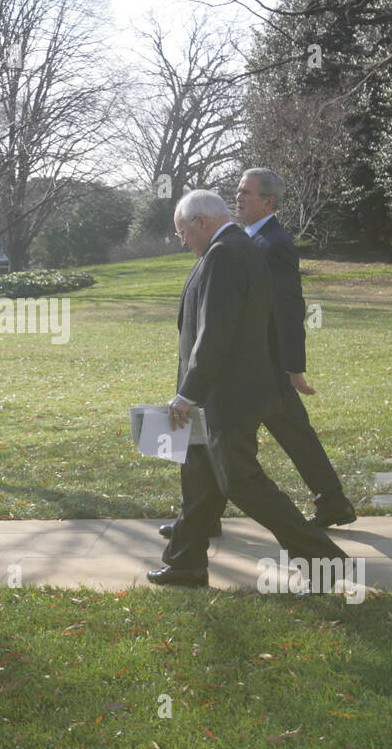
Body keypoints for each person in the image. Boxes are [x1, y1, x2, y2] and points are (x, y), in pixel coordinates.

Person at [148, 189, 349, 588]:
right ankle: (186, 562)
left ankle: (324, 560)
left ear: (201, 222)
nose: (182, 241)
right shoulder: (236, 247)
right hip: (221, 394)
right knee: (199, 481)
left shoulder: (225, 254)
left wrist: (188, 393)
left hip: (224, 396)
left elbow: (215, 333)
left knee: (242, 483)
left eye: (182, 232)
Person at [235, 168, 356, 529]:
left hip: (267, 366)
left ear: (268, 201)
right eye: (238, 191)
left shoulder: (273, 244)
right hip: (255, 364)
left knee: (234, 439)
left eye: (246, 192)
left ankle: (200, 519)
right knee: (238, 439)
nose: (238, 197)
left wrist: (293, 367)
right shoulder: (254, 239)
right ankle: (333, 501)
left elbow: (288, 308)